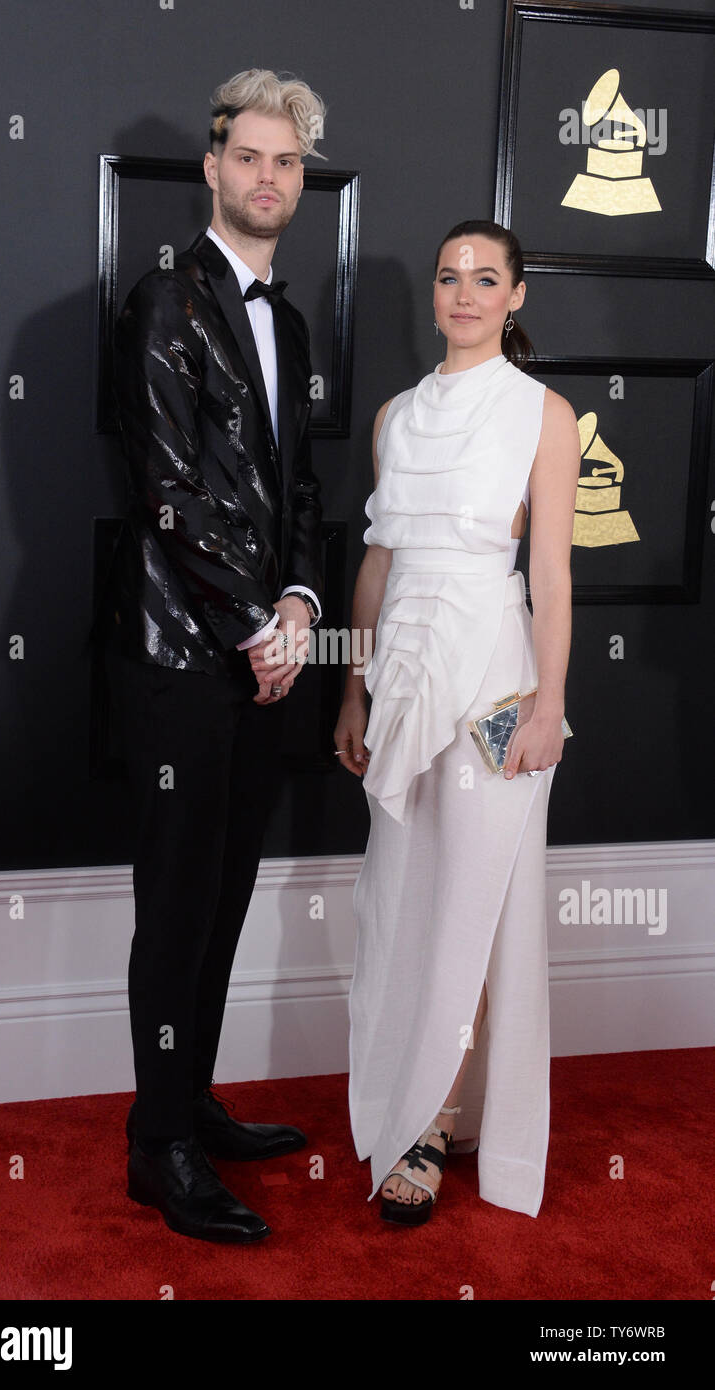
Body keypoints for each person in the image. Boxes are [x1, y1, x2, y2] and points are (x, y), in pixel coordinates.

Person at [95, 69, 326, 1243]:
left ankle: (189, 1100)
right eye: (249, 157)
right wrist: (250, 626)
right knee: (176, 903)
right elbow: (168, 492)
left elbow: (296, 488)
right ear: (212, 168)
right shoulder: (161, 302)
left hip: (260, 655)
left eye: (286, 163)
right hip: (180, 657)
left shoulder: (286, 316)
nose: (267, 178)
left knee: (227, 895)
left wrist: (294, 600)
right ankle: (158, 1145)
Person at [334, 219, 580, 1225]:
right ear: (432, 294)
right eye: (448, 278)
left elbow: (554, 576)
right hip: (399, 673)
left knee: (479, 902)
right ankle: (429, 1105)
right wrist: (349, 688)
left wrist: (551, 704)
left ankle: (434, 1121)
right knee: (402, 901)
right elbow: (376, 565)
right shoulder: (396, 415)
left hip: (493, 677)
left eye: (485, 279)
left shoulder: (544, 414)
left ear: (515, 295)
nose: (464, 294)